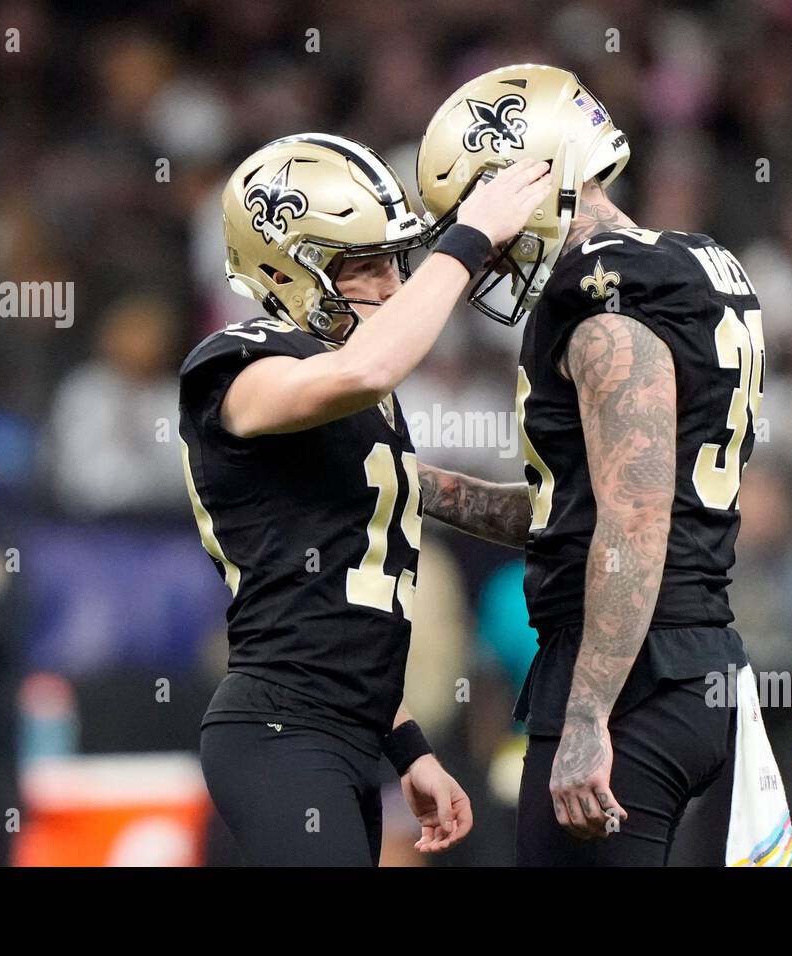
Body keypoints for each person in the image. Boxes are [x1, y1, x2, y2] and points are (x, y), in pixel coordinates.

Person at [414, 65, 792, 865]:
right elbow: (578, 510)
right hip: (693, 661)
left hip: (631, 678)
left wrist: (589, 715)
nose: (482, 248)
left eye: (483, 213)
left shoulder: (605, 306)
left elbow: (632, 520)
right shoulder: (687, 265)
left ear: (534, 176)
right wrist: (416, 487)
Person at [180, 133, 550, 865]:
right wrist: (470, 239)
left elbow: (347, 615)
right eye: (366, 266)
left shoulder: (356, 408)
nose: (390, 283)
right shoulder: (239, 366)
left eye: (394, 262)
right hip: (280, 728)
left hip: (347, 730)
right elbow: (368, 369)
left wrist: (408, 748)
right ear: (289, 267)